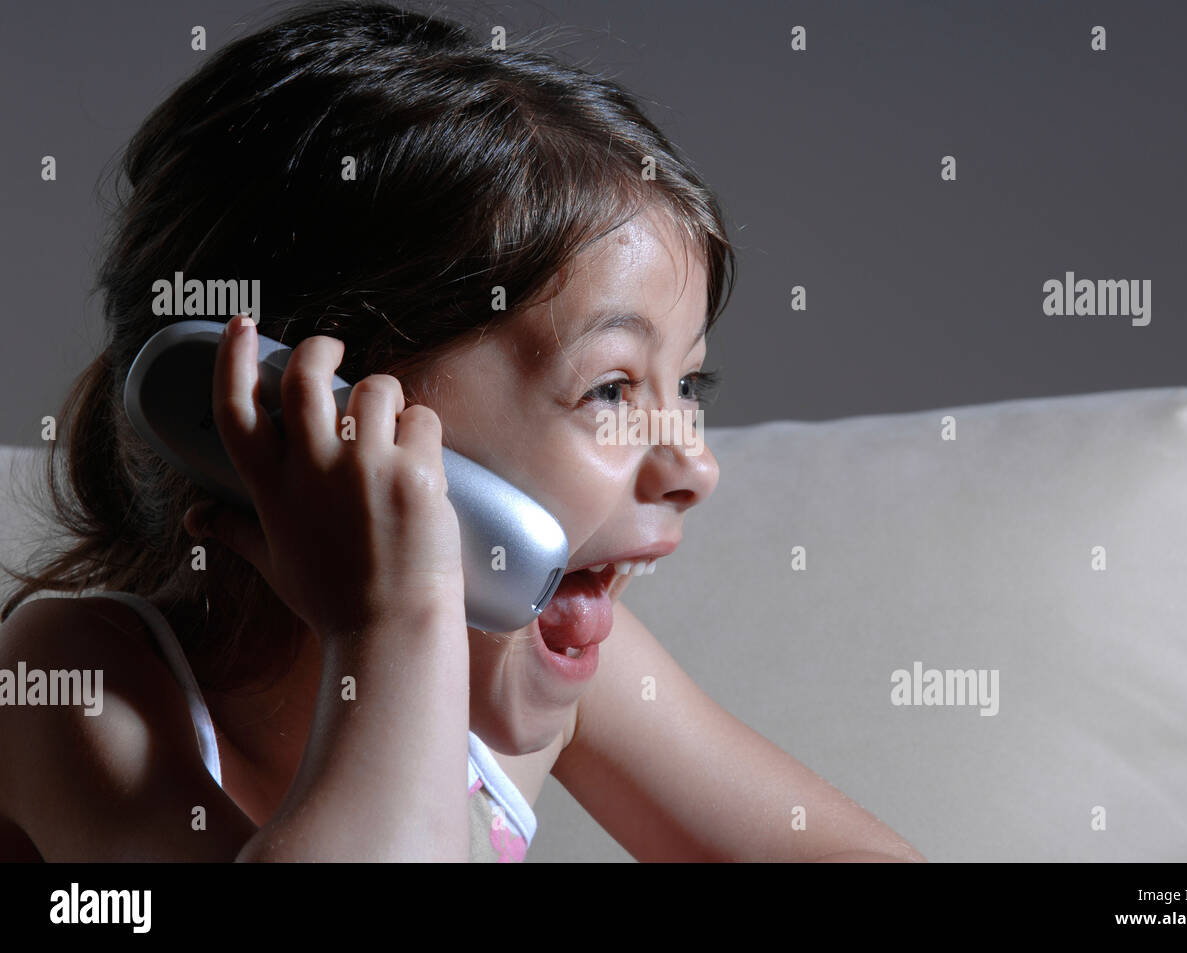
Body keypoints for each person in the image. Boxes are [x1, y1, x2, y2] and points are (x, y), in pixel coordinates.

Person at [0, 0, 924, 862]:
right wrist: (396, 624)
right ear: (301, 413)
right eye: (609, 390)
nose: (696, 464)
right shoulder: (73, 679)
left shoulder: (540, 645)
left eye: (688, 383)